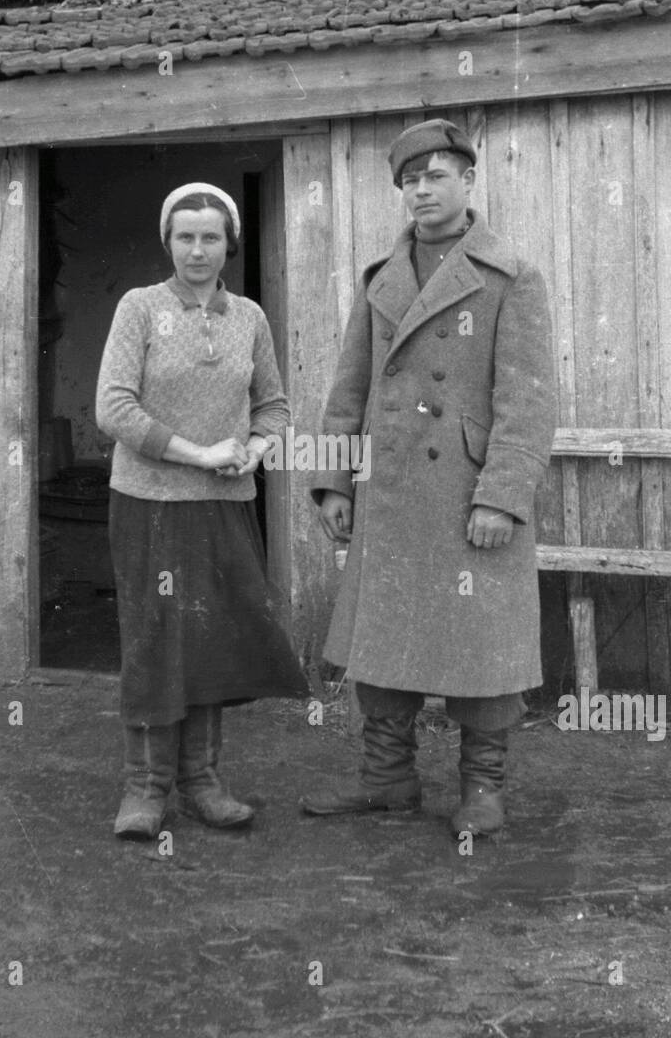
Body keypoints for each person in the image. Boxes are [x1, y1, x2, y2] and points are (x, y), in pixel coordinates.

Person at [302, 120, 556, 837]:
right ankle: (387, 779)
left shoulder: (510, 276)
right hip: (391, 493)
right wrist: (333, 482)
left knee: (480, 646)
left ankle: (482, 787)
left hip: (469, 497)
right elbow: (347, 389)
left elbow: (528, 400)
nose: (422, 190)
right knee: (383, 640)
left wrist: (503, 496)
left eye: (437, 175)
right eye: (410, 179)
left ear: (469, 181)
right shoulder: (382, 279)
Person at [96, 182, 308, 839]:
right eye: (184, 235)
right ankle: (146, 789)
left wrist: (257, 448)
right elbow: (113, 409)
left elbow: (273, 403)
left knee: (212, 642)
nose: (197, 248)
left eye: (209, 236)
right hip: (149, 504)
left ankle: (203, 783)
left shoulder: (249, 318)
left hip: (224, 505)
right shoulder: (139, 308)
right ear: (168, 241)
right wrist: (199, 452)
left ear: (228, 243)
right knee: (155, 642)